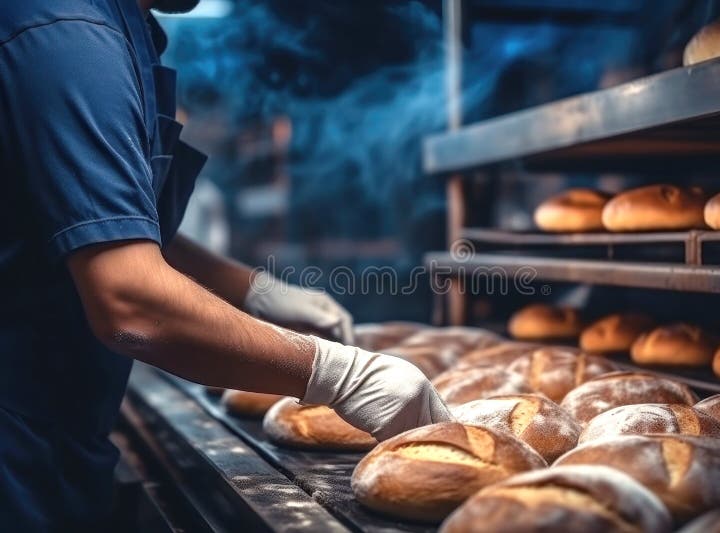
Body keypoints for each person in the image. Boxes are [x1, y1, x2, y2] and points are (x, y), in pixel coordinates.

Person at [0, 0, 450, 529]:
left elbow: (103, 224)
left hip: (56, 429)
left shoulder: (125, 29)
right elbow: (129, 302)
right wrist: (339, 374)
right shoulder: (72, 35)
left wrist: (252, 289)